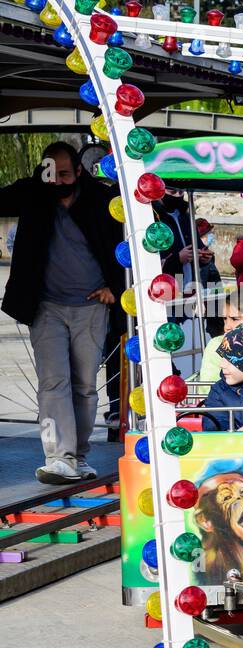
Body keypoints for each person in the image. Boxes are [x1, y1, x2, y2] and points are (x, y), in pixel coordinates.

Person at [0, 141, 125, 484]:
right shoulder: (34, 195)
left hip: (92, 306)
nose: (58, 181)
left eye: (65, 173)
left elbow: (127, 241)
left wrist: (116, 287)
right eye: (51, 173)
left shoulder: (101, 199)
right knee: (53, 382)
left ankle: (78, 456)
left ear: (80, 171)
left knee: (84, 385)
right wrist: (36, 182)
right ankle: (58, 455)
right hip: (46, 306)